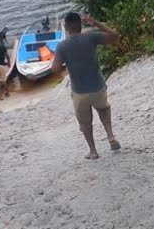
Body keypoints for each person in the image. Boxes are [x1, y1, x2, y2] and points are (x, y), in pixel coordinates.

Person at [51, 12, 122, 160]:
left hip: (79, 91)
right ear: (81, 24)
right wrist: (94, 21)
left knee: (85, 122)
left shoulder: (62, 46)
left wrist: (67, 67)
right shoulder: (91, 37)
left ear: (66, 26)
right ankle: (110, 136)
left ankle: (93, 151)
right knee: (104, 110)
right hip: (98, 86)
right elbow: (115, 36)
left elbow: (56, 68)